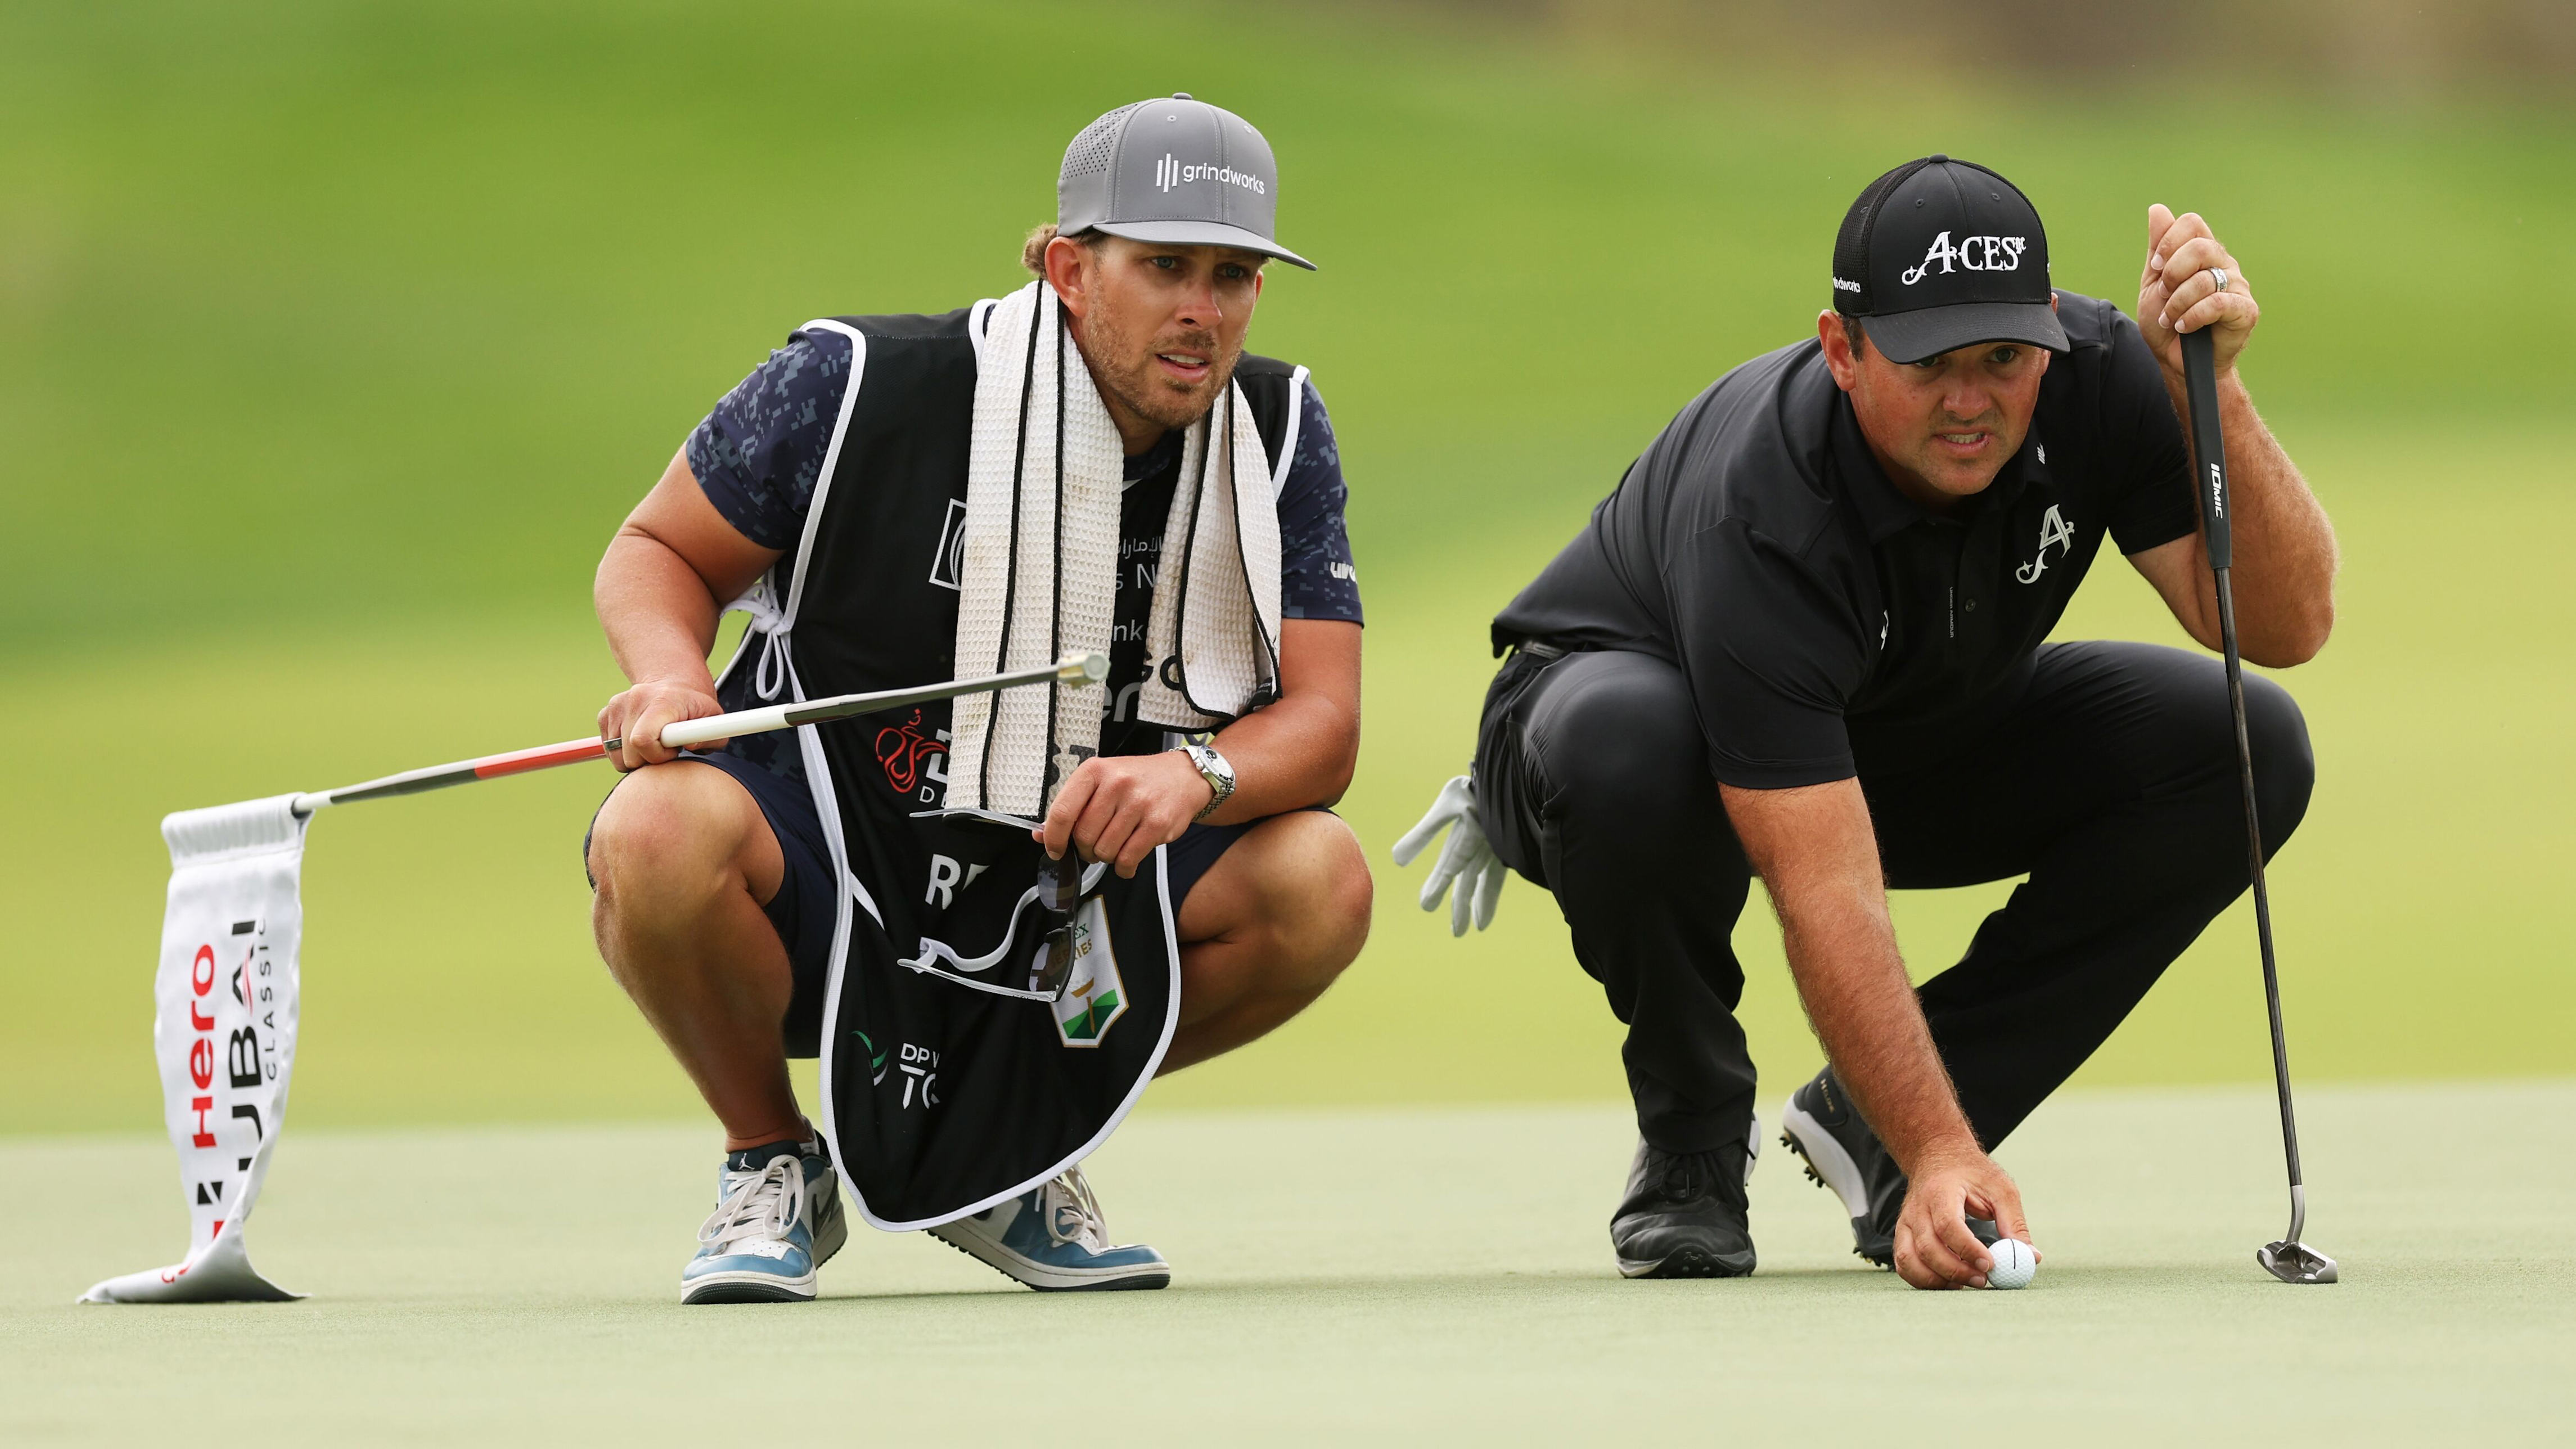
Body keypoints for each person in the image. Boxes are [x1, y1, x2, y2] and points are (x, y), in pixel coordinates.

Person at [1398, 155, 2334, 1289]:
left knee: (2246, 745)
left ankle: (1880, 1129)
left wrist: (2209, 391)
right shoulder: (1769, 503)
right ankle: (1693, 1138)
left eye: (2003, 358)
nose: (1971, 399)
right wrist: (1940, 1147)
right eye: (1929, 362)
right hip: (1603, 717)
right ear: (1843, 351)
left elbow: (2281, 624)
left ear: (2048, 332)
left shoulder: (2098, 375)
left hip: (1891, 718)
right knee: (1625, 745)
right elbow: (1822, 881)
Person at [584, 96, 1371, 1304]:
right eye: (1162, 267)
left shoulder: (1274, 430)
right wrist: (671, 678)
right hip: (834, 873)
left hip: (1067, 902)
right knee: (652, 830)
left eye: (1234, 275)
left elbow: (1322, 728)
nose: (1201, 312)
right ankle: (771, 1156)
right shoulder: (857, 383)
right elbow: (656, 553)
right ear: (1068, 266)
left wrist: (1193, 773)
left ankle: (1013, 1145)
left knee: (1322, 881)